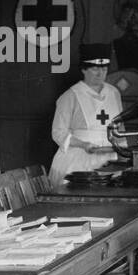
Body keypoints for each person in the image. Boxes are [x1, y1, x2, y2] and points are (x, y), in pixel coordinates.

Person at [49, 42, 123, 183]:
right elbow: (58, 132)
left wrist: (123, 152)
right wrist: (83, 145)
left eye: (104, 68)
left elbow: (120, 127)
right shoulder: (71, 95)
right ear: (84, 69)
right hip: (78, 159)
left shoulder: (114, 93)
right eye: (95, 68)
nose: (100, 73)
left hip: (109, 159)